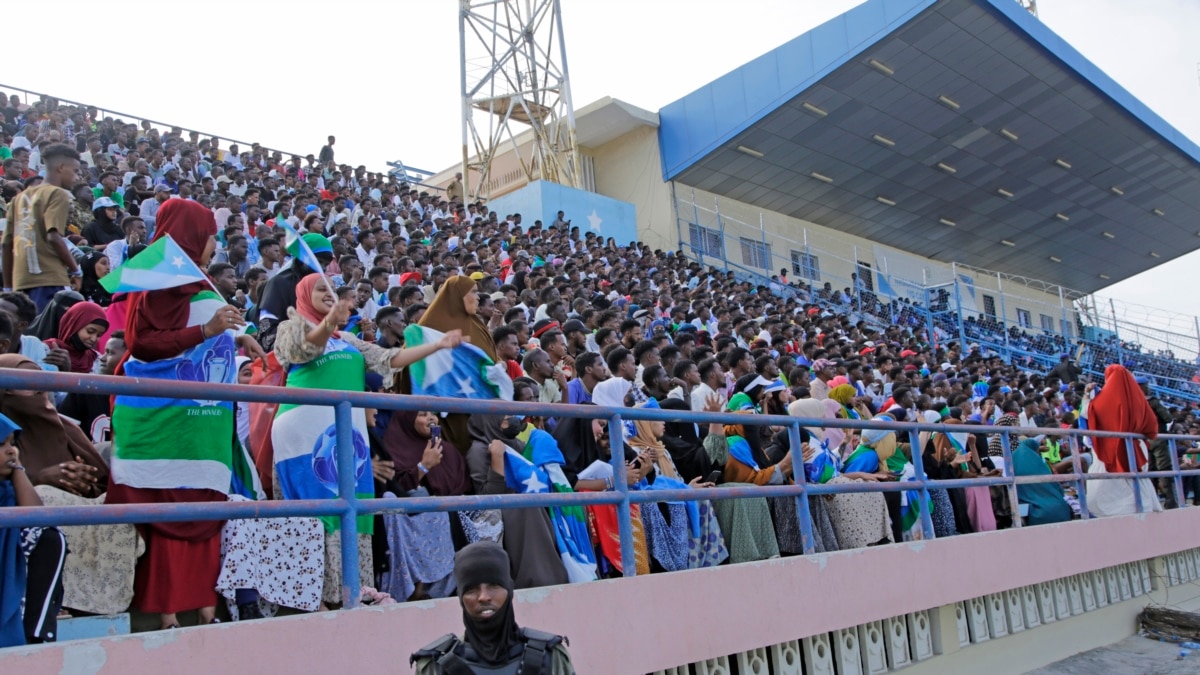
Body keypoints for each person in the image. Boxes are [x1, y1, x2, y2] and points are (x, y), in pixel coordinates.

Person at [105, 198, 259, 630]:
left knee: (203, 511)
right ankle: (164, 612)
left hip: (202, 426)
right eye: (211, 236)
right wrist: (207, 331)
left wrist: (237, 339)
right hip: (167, 420)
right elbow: (145, 343)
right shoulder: (157, 277)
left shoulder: (196, 278)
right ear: (193, 235)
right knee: (170, 512)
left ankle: (204, 606)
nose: (215, 245)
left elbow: (205, 329)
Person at [271, 273, 463, 606]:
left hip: (348, 430)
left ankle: (351, 592)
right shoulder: (293, 325)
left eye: (332, 291)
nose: (329, 295)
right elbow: (302, 350)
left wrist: (437, 345)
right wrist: (329, 320)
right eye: (322, 290)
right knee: (319, 510)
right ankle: (314, 598)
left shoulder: (347, 339)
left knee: (355, 508)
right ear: (304, 295)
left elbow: (389, 360)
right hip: (306, 432)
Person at [410, 541, 574, 674]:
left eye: (494, 586)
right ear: (461, 597)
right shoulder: (434, 665)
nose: (483, 597)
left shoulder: (551, 656)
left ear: (509, 591)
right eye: (471, 589)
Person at [402, 276, 498, 453]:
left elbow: (491, 360)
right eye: (474, 292)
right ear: (457, 295)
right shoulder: (430, 327)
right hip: (444, 417)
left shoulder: (478, 326)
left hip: (480, 414)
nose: (478, 297)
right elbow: (405, 366)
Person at [0, 412, 69, 648]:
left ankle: (36, 635)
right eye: (1, 444)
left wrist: (18, 469)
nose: (11, 450)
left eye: (13, 443)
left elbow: (35, 516)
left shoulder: (8, 486)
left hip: (9, 558)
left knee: (50, 537)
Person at [3, 144, 83, 312]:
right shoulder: (58, 193)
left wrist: (9, 287)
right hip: (50, 280)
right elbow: (53, 237)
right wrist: (76, 271)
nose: (77, 177)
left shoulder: (19, 198)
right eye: (75, 171)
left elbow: (6, 245)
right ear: (61, 167)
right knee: (50, 334)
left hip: (21, 282)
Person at [1081, 365, 1164, 517]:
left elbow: (1087, 413)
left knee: (1110, 481)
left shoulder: (1104, 399)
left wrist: (1086, 396)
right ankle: (1143, 507)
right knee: (1137, 478)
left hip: (1110, 445)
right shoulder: (1139, 399)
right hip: (1137, 445)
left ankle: (1121, 513)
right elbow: (1152, 424)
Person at [1012, 438, 1073, 525]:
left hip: (1036, 515)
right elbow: (1059, 489)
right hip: (1060, 511)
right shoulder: (1040, 465)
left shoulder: (1015, 463)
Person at [41, 301, 108, 373]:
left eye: (99, 335)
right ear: (74, 326)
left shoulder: (96, 360)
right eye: (90, 331)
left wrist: (66, 371)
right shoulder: (46, 350)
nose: (94, 339)